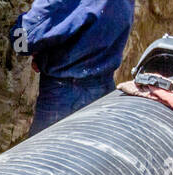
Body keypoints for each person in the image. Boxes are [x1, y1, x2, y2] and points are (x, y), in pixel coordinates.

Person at [10, 0, 135, 135]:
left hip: (65, 98)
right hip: (104, 90)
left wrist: (25, 40)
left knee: (48, 153)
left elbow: (23, 40)